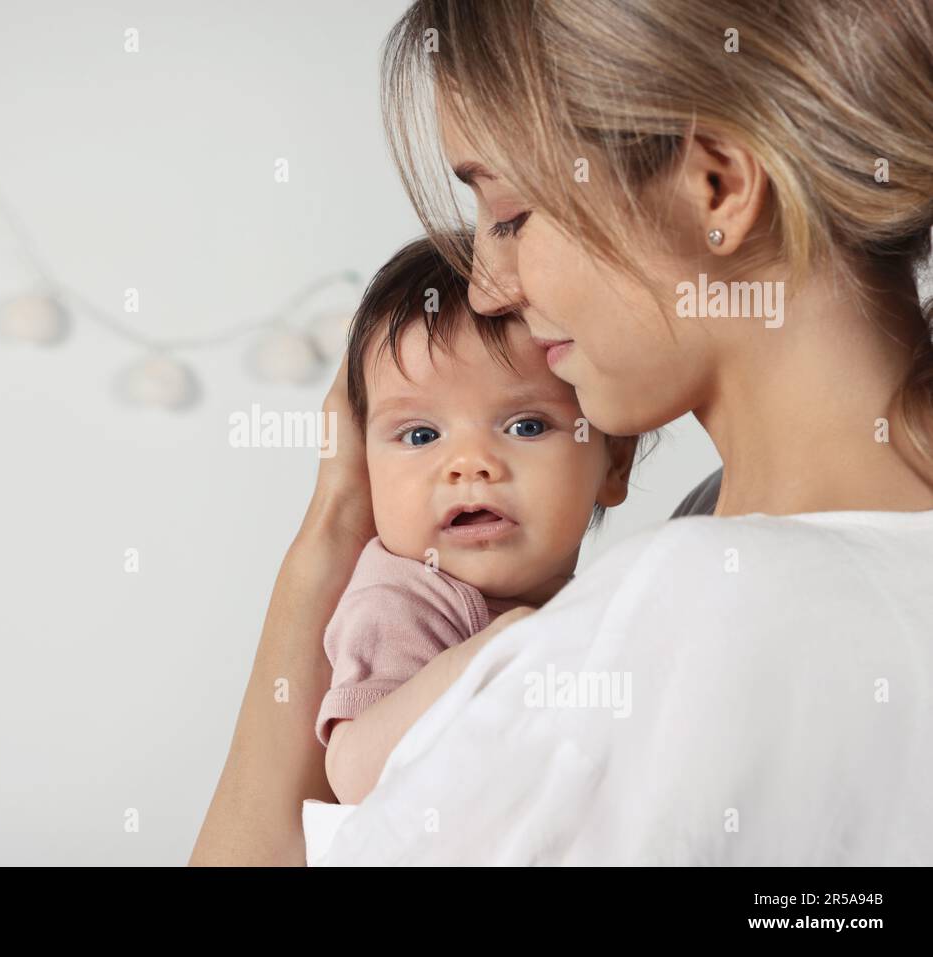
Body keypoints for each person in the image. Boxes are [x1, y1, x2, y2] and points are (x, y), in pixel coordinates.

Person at [191, 0, 933, 866]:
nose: (484, 289)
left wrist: (330, 525)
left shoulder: (678, 613)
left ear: (718, 186)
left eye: (509, 216)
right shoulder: (740, 540)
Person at [314, 233, 640, 808]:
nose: (470, 467)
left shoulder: (607, 600)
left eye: (526, 427)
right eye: (420, 435)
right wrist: (494, 655)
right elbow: (354, 770)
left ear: (614, 462)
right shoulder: (406, 598)